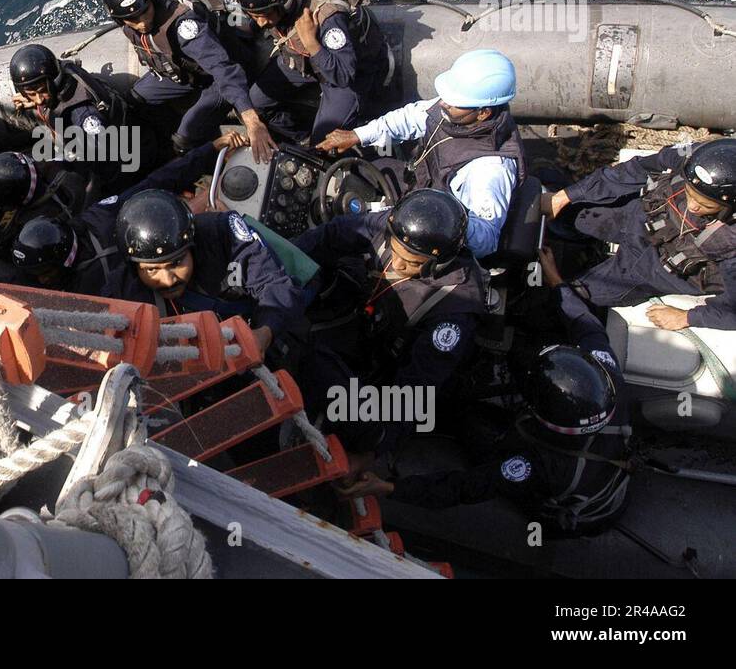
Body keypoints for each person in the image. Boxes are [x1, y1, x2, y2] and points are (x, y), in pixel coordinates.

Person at [338, 248, 632, 538]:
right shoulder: (607, 373)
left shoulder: (536, 467)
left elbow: (466, 487)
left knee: (470, 424)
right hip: (591, 451)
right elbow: (585, 324)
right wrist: (556, 280)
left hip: (569, 507)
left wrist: (388, 487)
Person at [290, 189, 488, 469]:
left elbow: (418, 388)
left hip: (390, 368)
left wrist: (373, 455)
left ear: (438, 263)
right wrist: (280, 262)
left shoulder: (455, 309)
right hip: (364, 319)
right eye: (395, 251)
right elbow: (330, 235)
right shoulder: (396, 225)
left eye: (411, 263)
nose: (396, 263)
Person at [316, 48, 525, 258]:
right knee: (367, 168)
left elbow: (485, 238)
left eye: (453, 101)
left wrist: (433, 219)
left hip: (435, 227)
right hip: (420, 185)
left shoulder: (491, 169)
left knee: (353, 244)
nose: (443, 102)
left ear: (483, 113)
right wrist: (357, 135)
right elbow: (409, 117)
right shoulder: (454, 109)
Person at [9, 132, 249, 295]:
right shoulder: (96, 219)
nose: (42, 280)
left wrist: (209, 150)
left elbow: (153, 184)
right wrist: (210, 149)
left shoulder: (93, 279)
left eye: (47, 273)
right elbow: (156, 183)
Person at [543, 137, 736, 331]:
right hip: (643, 217)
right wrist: (565, 196)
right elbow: (636, 169)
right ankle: (577, 237)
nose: (692, 206)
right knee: (567, 211)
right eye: (689, 193)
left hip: (658, 270)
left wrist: (687, 317)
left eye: (705, 205)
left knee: (571, 296)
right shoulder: (699, 156)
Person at [106, 187, 310, 359]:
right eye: (152, 269)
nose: (168, 280)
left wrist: (264, 334)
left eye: (177, 262)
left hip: (264, 343)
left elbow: (272, 283)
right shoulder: (122, 287)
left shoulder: (223, 233)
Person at [100, 0, 275, 163]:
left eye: (145, 11)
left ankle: (208, 157)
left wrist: (251, 119)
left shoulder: (184, 28)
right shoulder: (132, 24)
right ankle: (161, 141)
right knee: (135, 99)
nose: (142, 23)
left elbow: (223, 68)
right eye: (132, 18)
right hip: (182, 71)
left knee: (184, 139)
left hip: (212, 79)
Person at [234, 0, 389, 145]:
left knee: (324, 141)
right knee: (256, 105)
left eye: (265, 15)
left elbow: (344, 75)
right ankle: (303, 140)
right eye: (255, 16)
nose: (261, 23)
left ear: (283, 3)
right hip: (300, 60)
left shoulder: (328, 17)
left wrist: (311, 42)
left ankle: (322, 147)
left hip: (345, 72)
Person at [6, 43, 143, 193]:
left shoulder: (84, 116)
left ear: (55, 82)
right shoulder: (67, 79)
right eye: (31, 94)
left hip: (120, 167)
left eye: (41, 91)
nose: (38, 100)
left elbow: (105, 166)